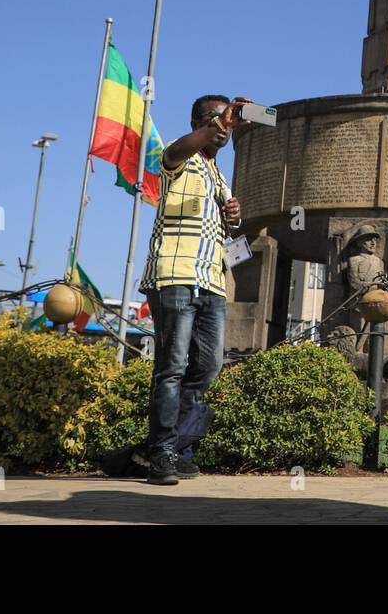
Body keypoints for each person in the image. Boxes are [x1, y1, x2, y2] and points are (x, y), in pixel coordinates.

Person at [138, 94, 248, 485]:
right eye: (214, 120)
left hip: (212, 280)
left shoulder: (219, 175)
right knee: (171, 367)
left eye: (227, 120)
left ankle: (177, 443)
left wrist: (233, 218)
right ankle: (162, 454)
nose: (223, 127)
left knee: (207, 366)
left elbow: (225, 235)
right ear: (196, 123)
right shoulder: (178, 158)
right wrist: (220, 123)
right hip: (174, 275)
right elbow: (177, 149)